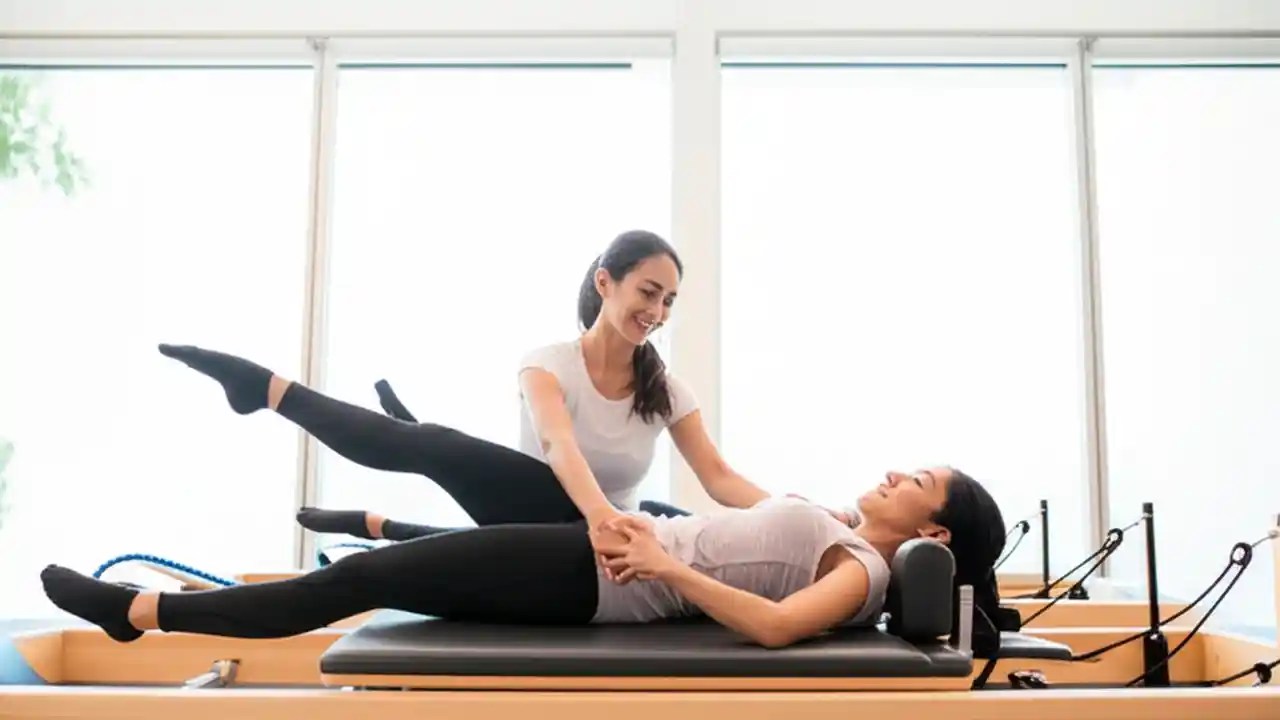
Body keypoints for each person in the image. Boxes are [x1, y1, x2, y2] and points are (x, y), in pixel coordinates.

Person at [40, 466, 1006, 650]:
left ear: (936, 534)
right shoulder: (836, 519)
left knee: (362, 582)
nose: (892, 469)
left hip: (600, 580)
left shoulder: (866, 573)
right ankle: (143, 615)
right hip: (605, 549)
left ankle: (140, 617)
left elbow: (773, 626)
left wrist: (662, 567)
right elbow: (724, 488)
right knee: (394, 563)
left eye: (916, 476)